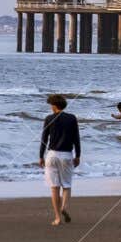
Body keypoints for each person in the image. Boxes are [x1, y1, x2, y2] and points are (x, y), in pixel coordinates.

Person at [38, 93, 81, 226]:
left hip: (52, 155)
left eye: (51, 105)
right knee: (66, 186)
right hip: (66, 155)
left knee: (54, 187)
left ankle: (57, 218)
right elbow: (76, 139)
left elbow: (44, 139)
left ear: (54, 106)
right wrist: (78, 155)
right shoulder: (72, 118)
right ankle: (64, 208)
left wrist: (41, 156)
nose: (51, 107)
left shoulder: (49, 119)